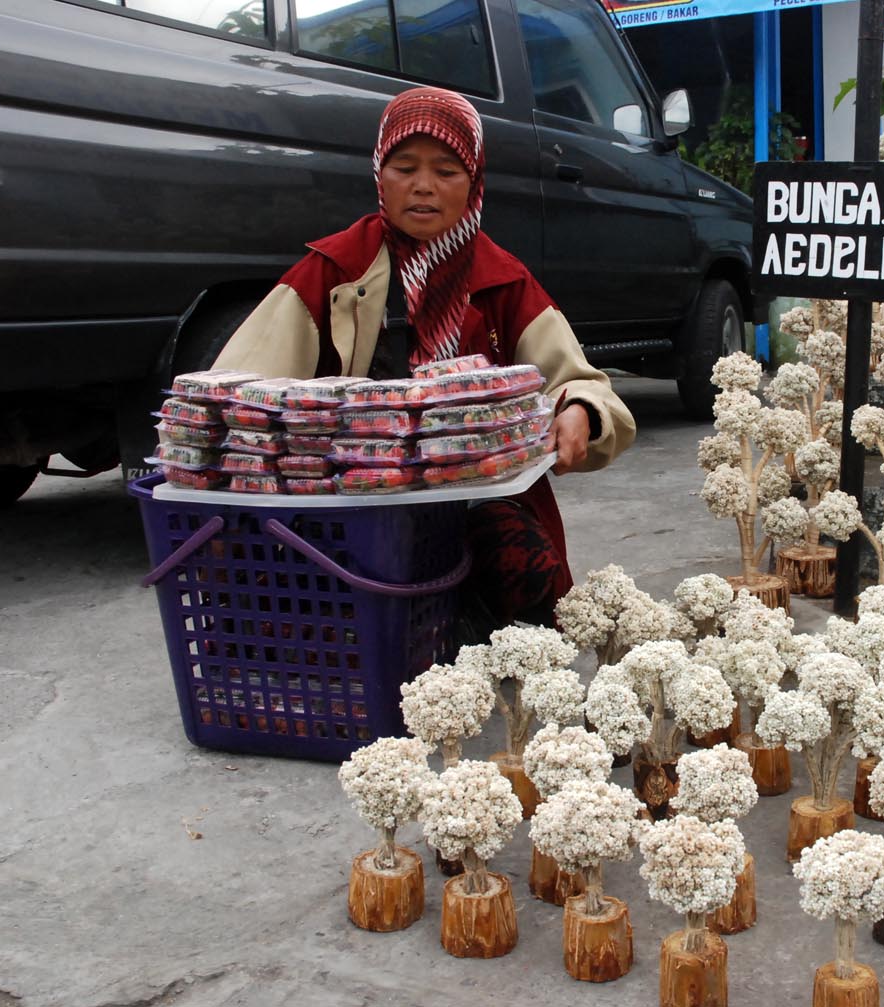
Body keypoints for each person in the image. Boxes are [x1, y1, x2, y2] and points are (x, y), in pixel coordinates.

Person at [213, 86, 636, 629]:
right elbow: (233, 389)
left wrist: (580, 410)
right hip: (350, 502)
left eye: (446, 171)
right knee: (269, 603)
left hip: (476, 499)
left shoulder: (503, 279)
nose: (423, 187)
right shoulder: (336, 272)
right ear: (378, 173)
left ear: (475, 181)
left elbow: (585, 384)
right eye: (404, 167)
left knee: (527, 578)